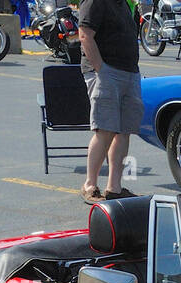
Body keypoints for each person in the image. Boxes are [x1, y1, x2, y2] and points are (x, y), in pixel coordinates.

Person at [78, 0, 142, 203]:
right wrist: (101, 70)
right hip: (106, 72)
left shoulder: (122, 3)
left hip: (129, 72)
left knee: (123, 131)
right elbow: (85, 35)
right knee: (105, 129)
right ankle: (90, 185)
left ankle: (114, 188)